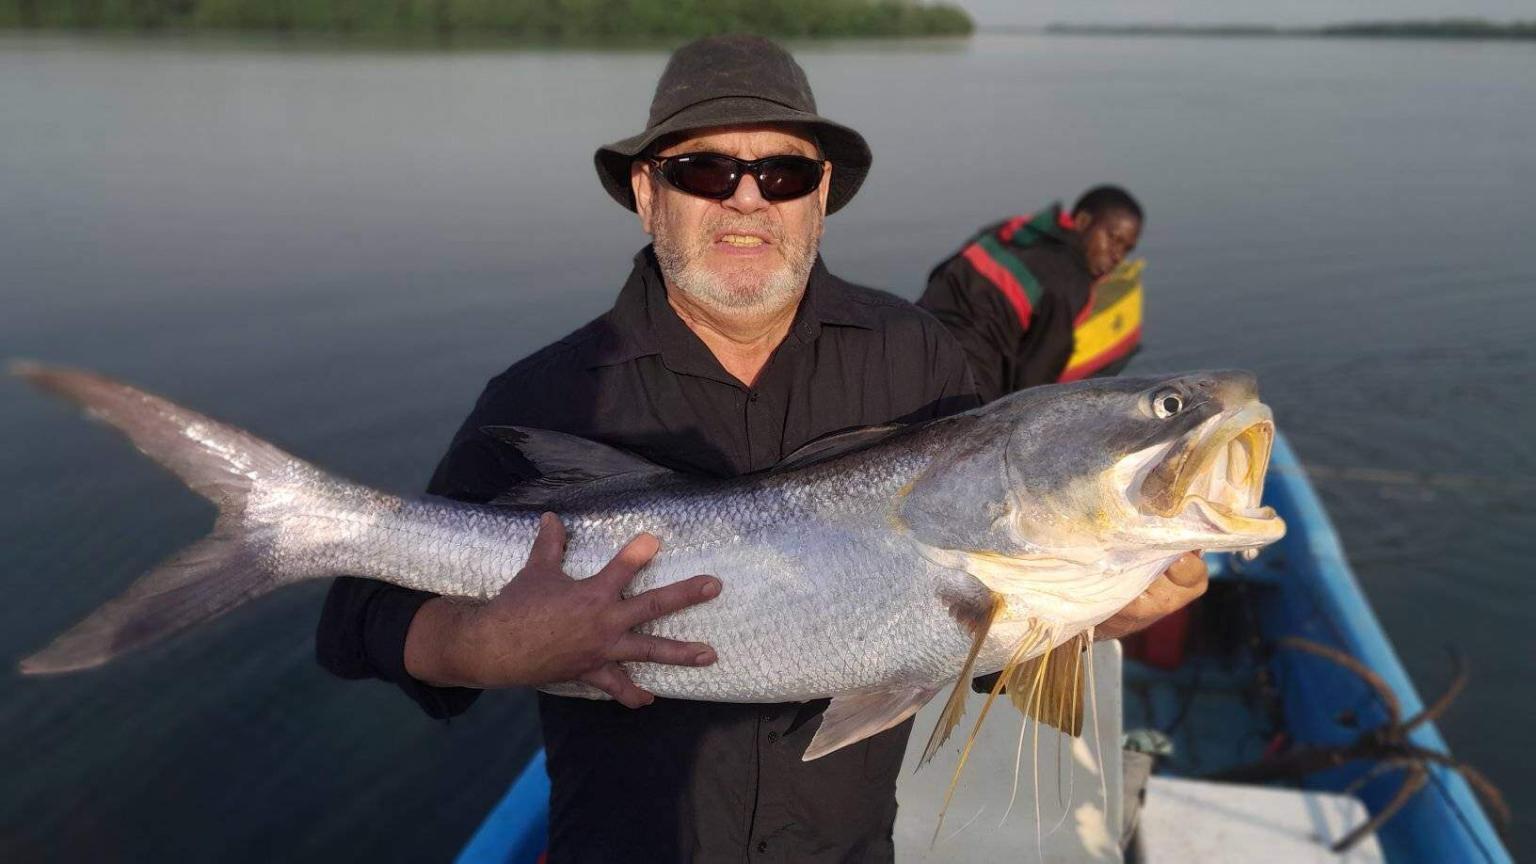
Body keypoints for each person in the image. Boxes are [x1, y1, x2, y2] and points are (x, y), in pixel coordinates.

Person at [316, 36, 1201, 863]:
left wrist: (1093, 612)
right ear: (647, 192)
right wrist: (483, 644)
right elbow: (359, 617)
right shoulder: (546, 396)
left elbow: (967, 618)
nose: (747, 199)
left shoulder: (920, 361)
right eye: (705, 170)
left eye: (782, 173)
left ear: (820, 197)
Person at [918, 186, 1146, 402]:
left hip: (916, 337)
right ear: (1083, 221)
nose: (1118, 256)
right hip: (963, 385)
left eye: (1126, 248)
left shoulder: (1012, 230)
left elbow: (939, 272)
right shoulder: (1071, 280)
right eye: (1113, 239)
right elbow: (1032, 387)